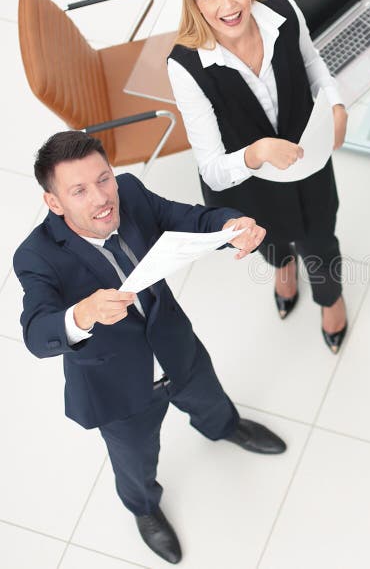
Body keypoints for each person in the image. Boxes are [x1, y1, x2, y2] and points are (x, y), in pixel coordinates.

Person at [14, 131, 287, 565]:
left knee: (211, 400)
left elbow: (192, 218)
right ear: (54, 203)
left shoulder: (132, 193)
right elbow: (36, 332)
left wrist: (233, 226)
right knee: (135, 461)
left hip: (177, 349)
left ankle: (224, 428)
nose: (102, 198)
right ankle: (144, 509)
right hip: (117, 390)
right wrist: (81, 314)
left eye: (104, 179)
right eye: (79, 191)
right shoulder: (36, 256)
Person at [167, 0, 348, 353]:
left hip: (306, 162)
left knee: (320, 239)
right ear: (194, 3)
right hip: (246, 184)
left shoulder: (284, 12)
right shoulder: (184, 66)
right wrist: (257, 152)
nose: (228, 5)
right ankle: (283, 268)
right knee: (271, 241)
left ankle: (329, 297)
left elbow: (313, 63)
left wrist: (335, 103)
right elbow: (212, 168)